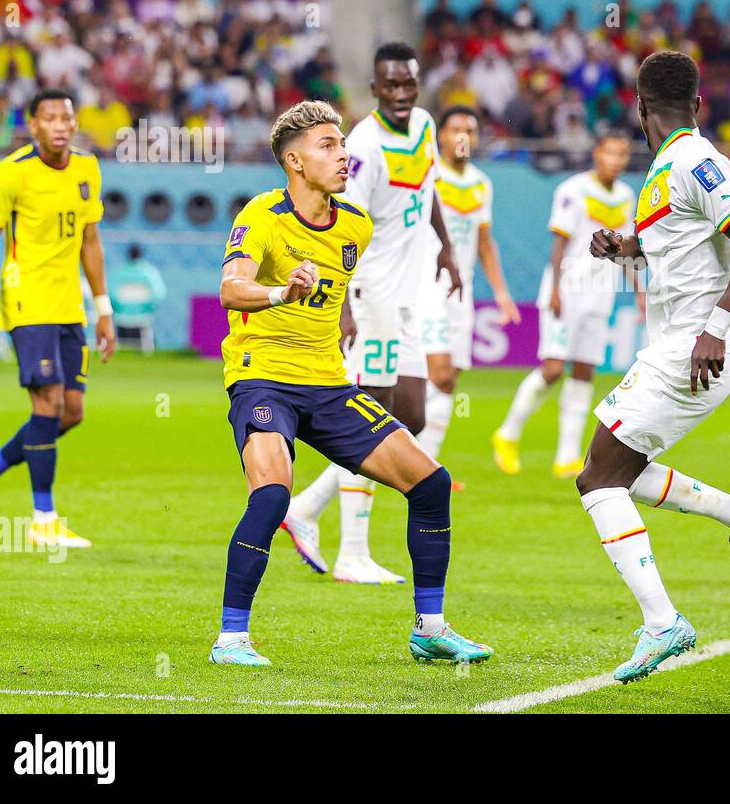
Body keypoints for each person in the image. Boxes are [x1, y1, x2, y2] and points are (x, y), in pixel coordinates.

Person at [210, 99, 491, 667]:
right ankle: (231, 639)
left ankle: (429, 628)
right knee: (271, 495)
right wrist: (279, 293)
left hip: (328, 386)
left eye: (342, 145)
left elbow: (339, 292)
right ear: (294, 161)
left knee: (432, 484)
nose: (343, 157)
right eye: (328, 147)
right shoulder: (260, 217)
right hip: (261, 379)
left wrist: (347, 317)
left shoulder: (355, 226)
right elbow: (231, 290)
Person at [580, 51, 730, 683]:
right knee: (621, 473)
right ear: (697, 103)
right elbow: (677, 252)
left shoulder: (695, 160)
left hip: (695, 351)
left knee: (598, 481)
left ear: (641, 109)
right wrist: (625, 248)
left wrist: (714, 331)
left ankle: (664, 622)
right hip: (674, 345)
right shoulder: (669, 168)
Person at [281, 44, 462, 585]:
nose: (402, 94)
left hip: (408, 294)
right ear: (376, 90)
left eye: (409, 83)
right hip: (370, 292)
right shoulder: (360, 145)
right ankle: (352, 552)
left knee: (413, 416)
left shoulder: (427, 126)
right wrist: (341, 305)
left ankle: (306, 508)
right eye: (392, 85)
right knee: (374, 421)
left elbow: (427, 192)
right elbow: (336, 219)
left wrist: (446, 247)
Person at [0, 89, 117, 547]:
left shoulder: (88, 168)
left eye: (66, 118)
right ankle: (43, 519)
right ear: (33, 125)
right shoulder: (13, 173)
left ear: (74, 124)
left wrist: (103, 307)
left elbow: (90, 240)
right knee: (46, 404)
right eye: (49, 118)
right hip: (26, 301)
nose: (59, 125)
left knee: (71, 412)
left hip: (70, 305)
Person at [492, 134, 637, 479]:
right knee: (554, 368)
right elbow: (561, 242)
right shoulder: (573, 189)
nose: (615, 160)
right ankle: (507, 434)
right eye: (610, 151)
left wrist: (639, 291)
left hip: (600, 294)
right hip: (568, 289)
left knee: (585, 372)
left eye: (622, 153)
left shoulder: (626, 197)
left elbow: (626, 249)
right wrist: (556, 288)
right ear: (597, 152)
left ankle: (567, 456)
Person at [416, 106, 519, 462]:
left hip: (462, 290)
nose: (463, 136)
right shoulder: (427, 175)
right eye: (455, 129)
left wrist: (501, 293)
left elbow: (484, 243)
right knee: (438, 373)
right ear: (441, 135)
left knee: (449, 379)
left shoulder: (480, 183)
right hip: (425, 285)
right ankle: (418, 463)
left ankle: (423, 462)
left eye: (471, 131)